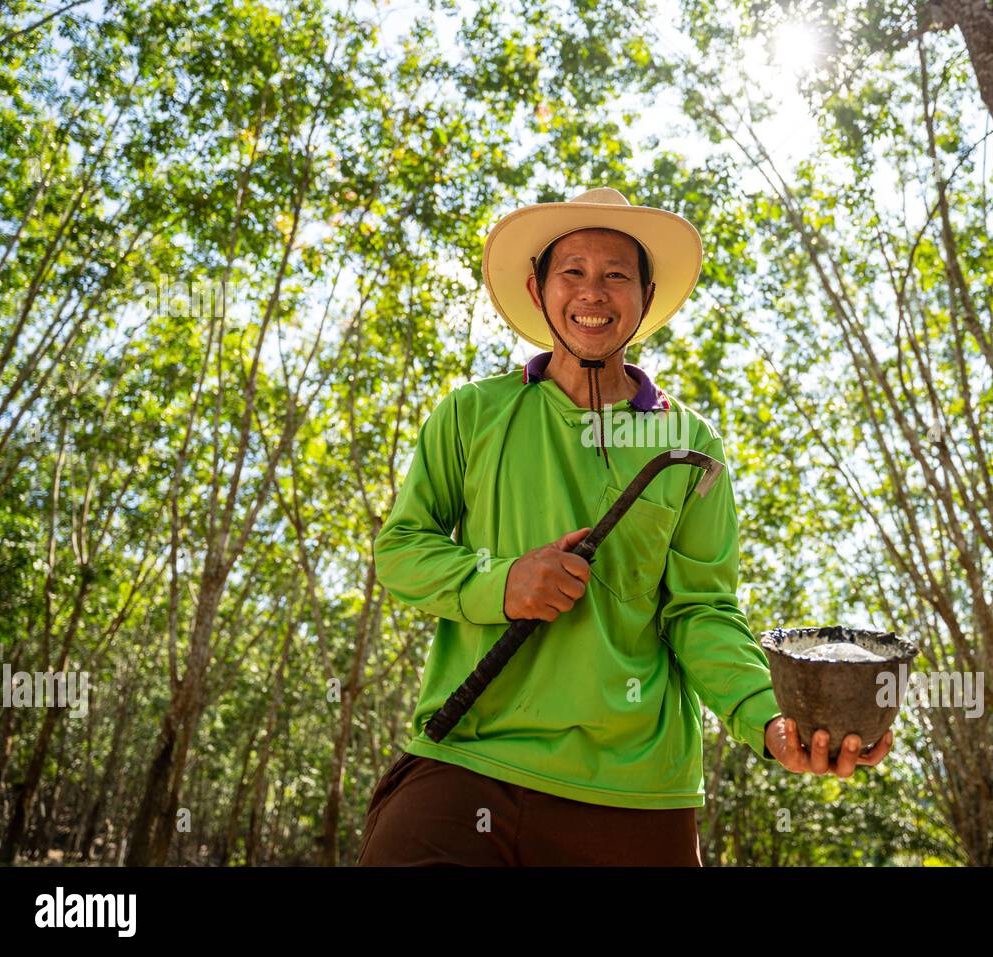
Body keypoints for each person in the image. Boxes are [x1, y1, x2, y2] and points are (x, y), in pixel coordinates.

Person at [357, 187, 892, 867]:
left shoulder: (690, 441)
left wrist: (770, 718)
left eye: (616, 275)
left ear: (644, 295)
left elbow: (703, 611)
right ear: (538, 289)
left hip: (639, 791)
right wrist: (502, 583)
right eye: (572, 272)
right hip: (467, 757)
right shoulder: (470, 414)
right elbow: (402, 550)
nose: (593, 291)